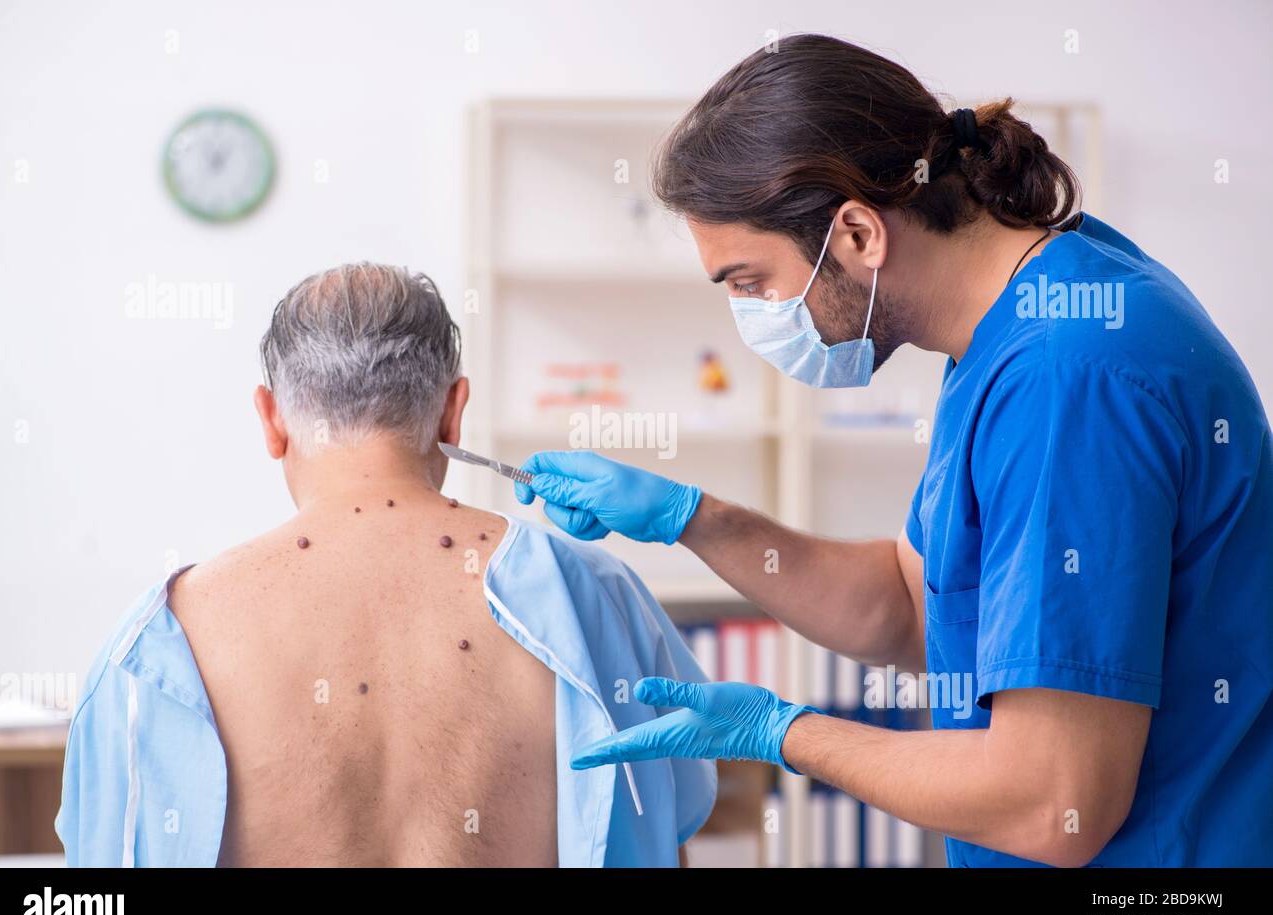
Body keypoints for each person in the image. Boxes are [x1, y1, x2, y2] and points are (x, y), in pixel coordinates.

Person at [517, 34, 1273, 866]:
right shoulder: (1015, 317)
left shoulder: (1065, 377)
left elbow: (1051, 803)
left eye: (751, 282)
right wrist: (690, 517)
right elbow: (914, 608)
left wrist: (781, 732)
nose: (753, 316)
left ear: (857, 233)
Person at [55, 263, 715, 867]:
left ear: (271, 419)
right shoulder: (596, 597)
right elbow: (667, 825)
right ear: (454, 412)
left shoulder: (158, 642)